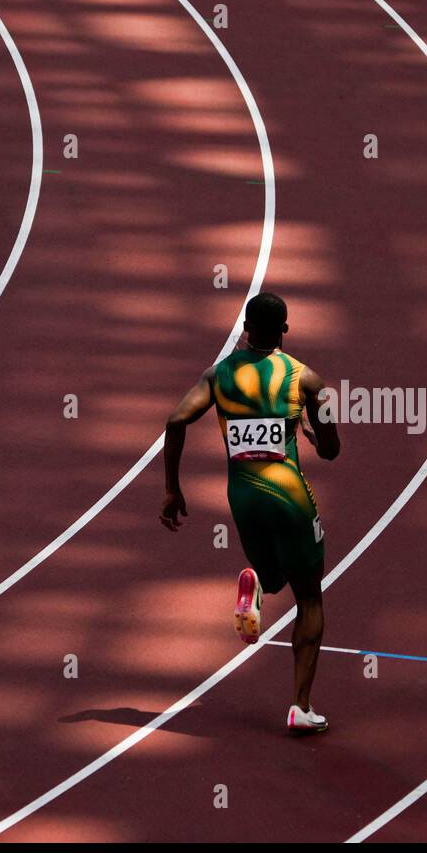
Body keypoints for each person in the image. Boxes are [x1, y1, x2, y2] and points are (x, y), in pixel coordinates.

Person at [160, 292, 340, 732]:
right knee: (309, 596)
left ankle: (258, 585)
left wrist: (172, 489)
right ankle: (300, 705)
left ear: (244, 327)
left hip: (241, 497)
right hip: (289, 496)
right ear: (284, 330)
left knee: (276, 576)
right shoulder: (307, 379)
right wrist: (315, 437)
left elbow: (175, 421)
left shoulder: (217, 376)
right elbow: (333, 449)